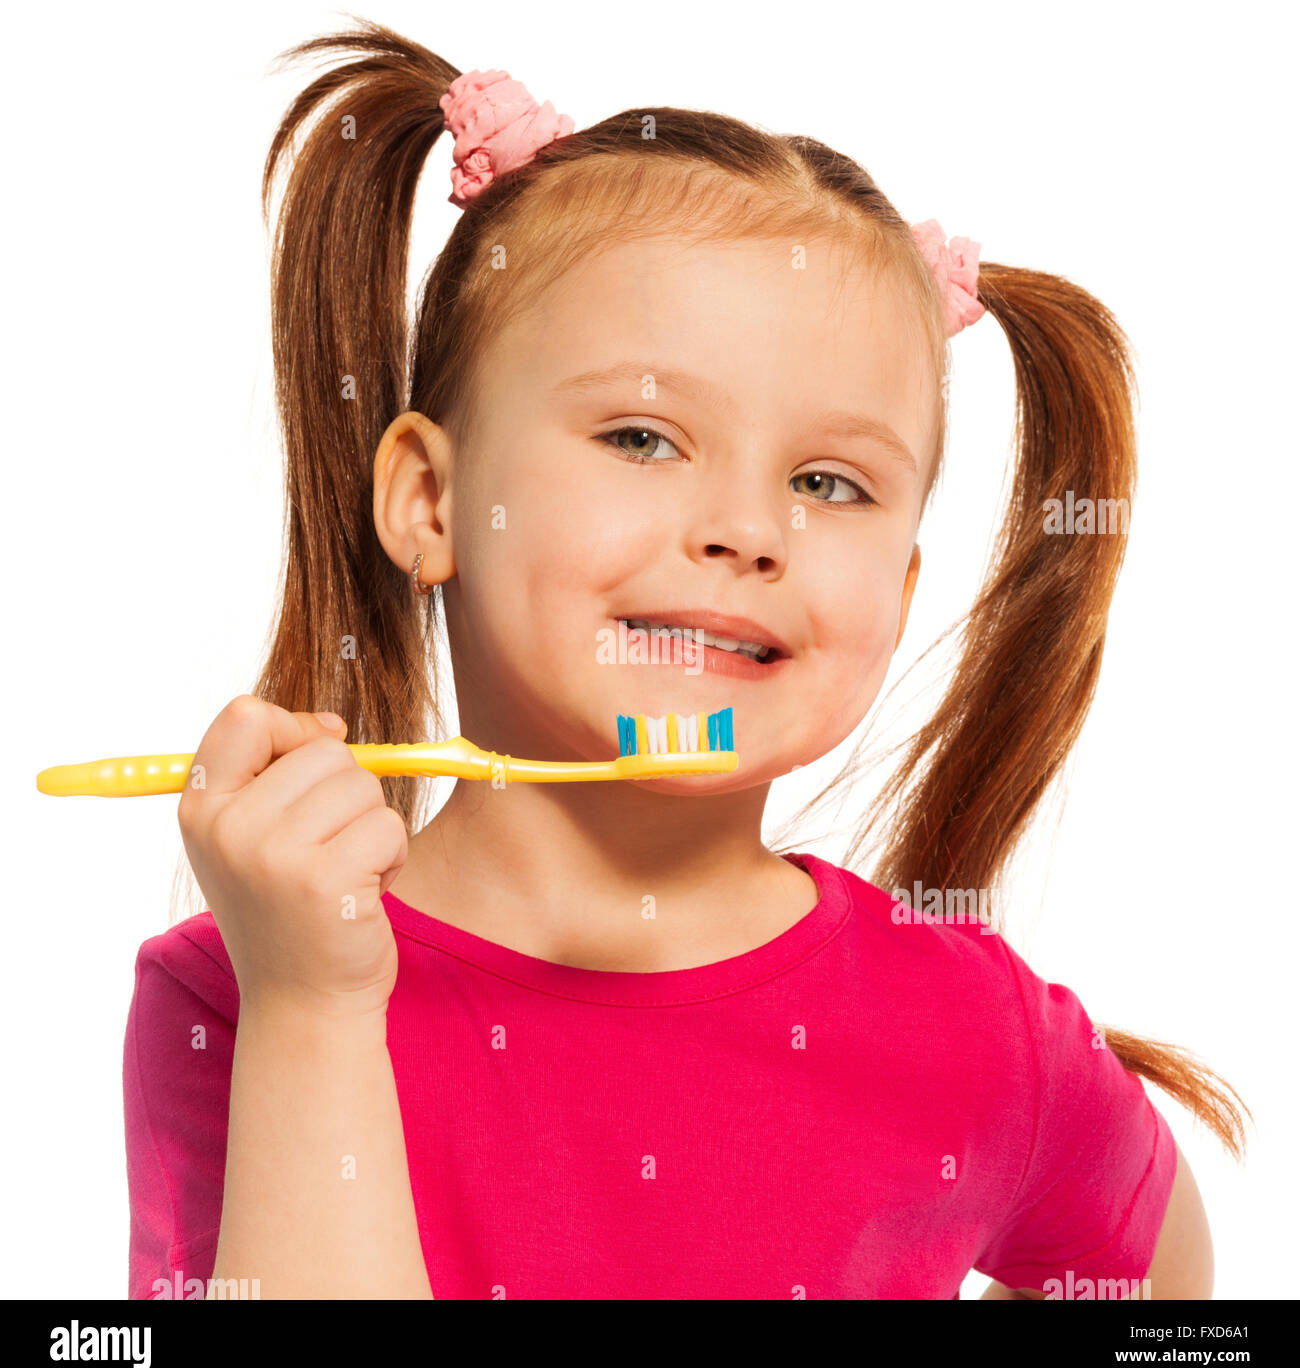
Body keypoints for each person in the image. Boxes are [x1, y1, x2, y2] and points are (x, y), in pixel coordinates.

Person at [124, 19, 1246, 1300]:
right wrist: (314, 1013)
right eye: (645, 438)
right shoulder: (242, 991)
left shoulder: (974, 1033)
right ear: (432, 503)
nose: (748, 531)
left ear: (902, 587)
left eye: (829, 481)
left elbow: (1157, 1281)